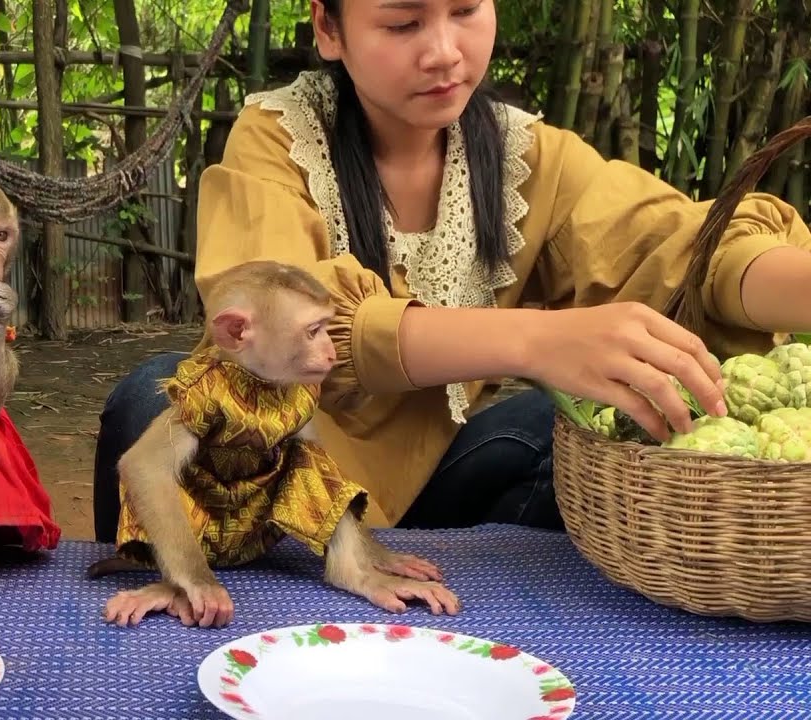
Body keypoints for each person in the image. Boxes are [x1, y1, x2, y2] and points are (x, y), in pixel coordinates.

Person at [92, 0, 811, 541]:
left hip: (434, 503)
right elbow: (279, 334)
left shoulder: (528, 158)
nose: (443, 51)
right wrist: (535, 342)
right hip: (278, 486)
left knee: (550, 426)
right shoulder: (276, 141)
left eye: (465, 9)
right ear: (329, 30)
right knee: (147, 401)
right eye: (403, 24)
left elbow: (683, 249)